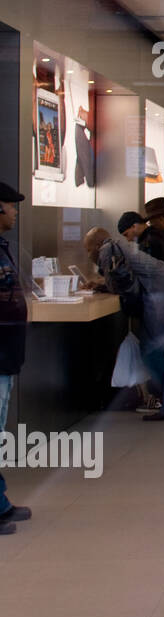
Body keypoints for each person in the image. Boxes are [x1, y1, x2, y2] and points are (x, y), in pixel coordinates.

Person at [86, 227, 164, 421]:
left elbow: (122, 282)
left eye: (88, 249)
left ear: (97, 245)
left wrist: (104, 286)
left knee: (152, 351)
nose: (88, 254)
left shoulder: (107, 249)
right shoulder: (121, 246)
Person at [0, 183, 33, 532]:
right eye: (11, 205)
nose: (15, 211)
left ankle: (1, 502)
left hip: (6, 355)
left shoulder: (4, 248)